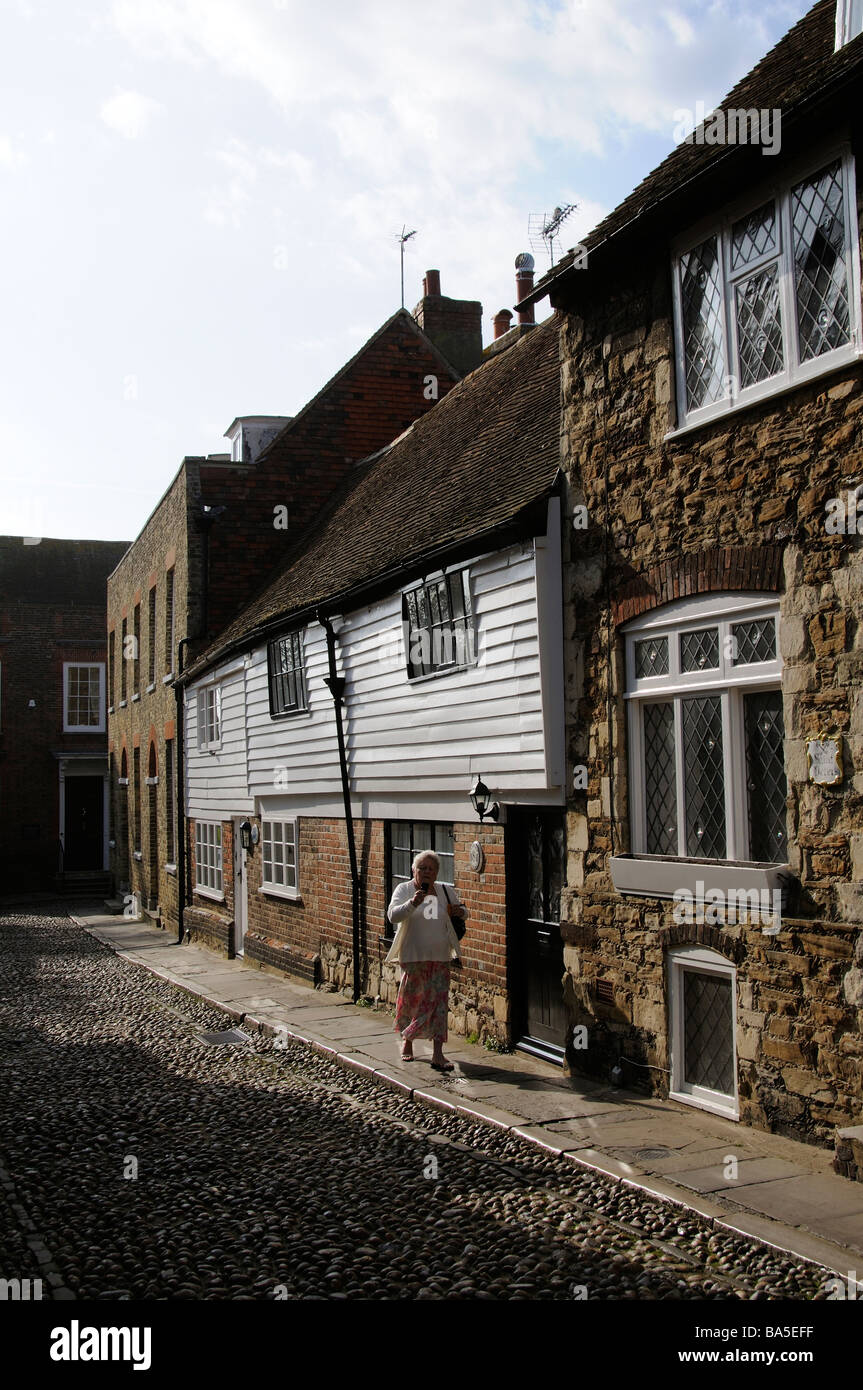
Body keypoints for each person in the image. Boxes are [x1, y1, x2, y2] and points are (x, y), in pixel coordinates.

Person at [385, 850, 467, 1071]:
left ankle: (438, 1053)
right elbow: (393, 916)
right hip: (413, 957)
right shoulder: (404, 890)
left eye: (431, 869)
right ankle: (408, 1042)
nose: (427, 872)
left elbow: (463, 911)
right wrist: (413, 903)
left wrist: (461, 912)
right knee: (413, 1001)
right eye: (422, 868)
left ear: (437, 872)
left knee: (438, 1005)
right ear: (414, 870)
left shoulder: (444, 891)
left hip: (440, 957)